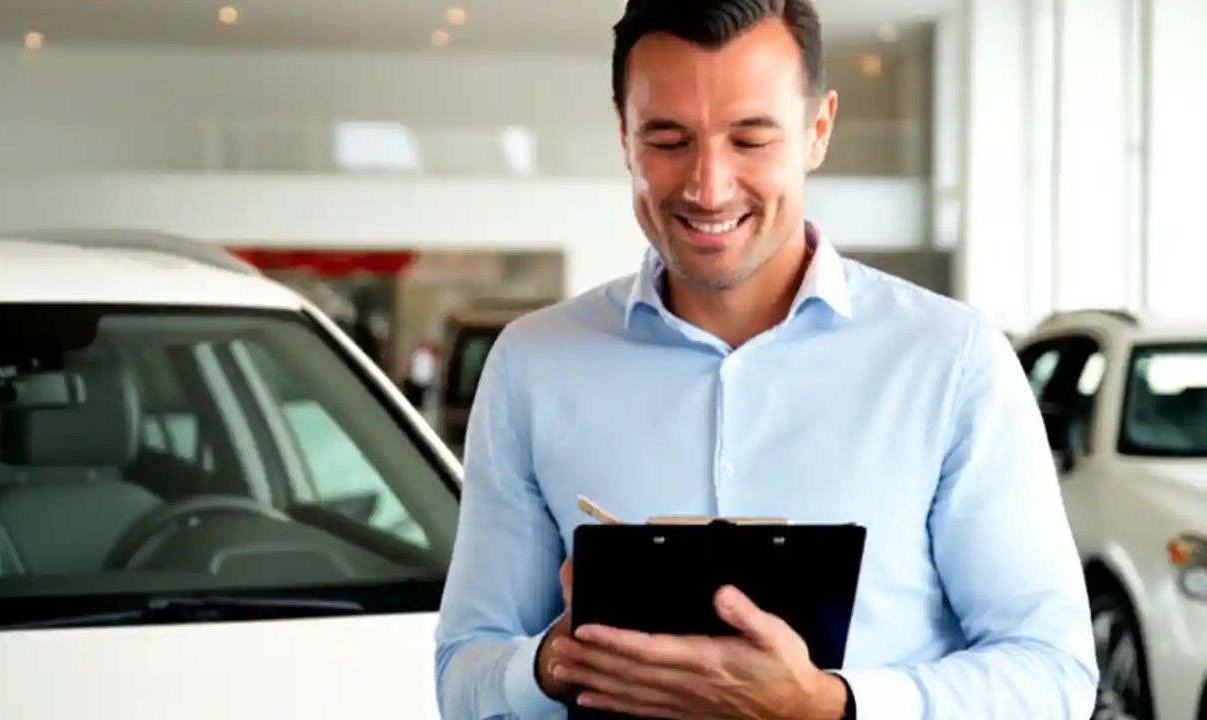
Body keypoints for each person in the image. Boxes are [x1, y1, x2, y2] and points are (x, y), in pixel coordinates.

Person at [434, 0, 1100, 718]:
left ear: (818, 130)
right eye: (668, 139)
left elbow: (1052, 674)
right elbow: (464, 672)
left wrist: (828, 705)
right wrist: (553, 661)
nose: (708, 187)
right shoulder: (534, 366)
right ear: (624, 135)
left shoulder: (952, 360)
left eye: (750, 140)